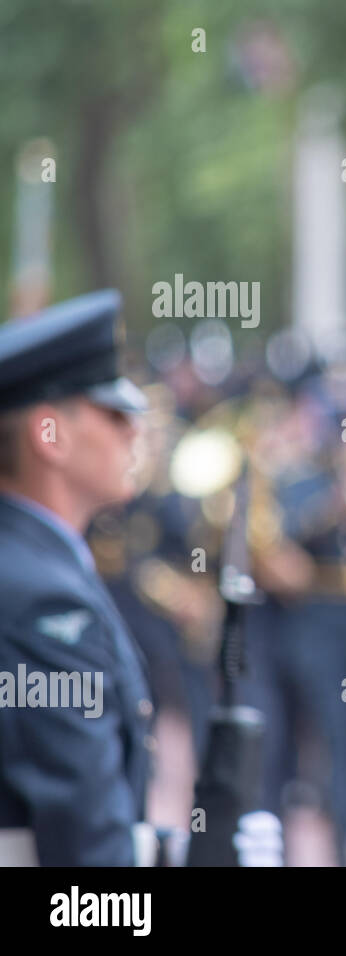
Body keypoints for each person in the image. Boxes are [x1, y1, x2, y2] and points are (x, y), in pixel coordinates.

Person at [0, 290, 279, 866]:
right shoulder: (39, 600)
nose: (135, 430)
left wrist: (164, 854)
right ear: (47, 434)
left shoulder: (34, 565)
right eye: (113, 413)